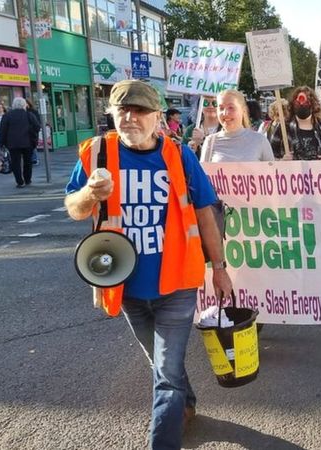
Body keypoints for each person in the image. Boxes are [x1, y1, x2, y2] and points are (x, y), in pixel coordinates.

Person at [64, 80, 232, 449]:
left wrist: (220, 268)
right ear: (112, 114)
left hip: (178, 282)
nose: (130, 117)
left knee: (166, 374)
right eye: (122, 110)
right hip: (125, 285)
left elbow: (205, 214)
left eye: (140, 110)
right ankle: (185, 403)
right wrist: (89, 193)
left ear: (157, 117)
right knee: (161, 363)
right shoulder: (96, 153)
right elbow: (74, 209)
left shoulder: (178, 155)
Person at [199, 89, 274, 163]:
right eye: (221, 108)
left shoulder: (260, 140)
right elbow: (203, 170)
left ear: (243, 110)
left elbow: (273, 169)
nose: (225, 113)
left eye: (231, 107)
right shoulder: (210, 141)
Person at [270, 86, 321, 161]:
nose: (301, 104)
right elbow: (271, 157)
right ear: (292, 104)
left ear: (313, 104)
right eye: (297, 102)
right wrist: (282, 161)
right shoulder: (283, 127)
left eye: (306, 103)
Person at [0, 97, 39, 188]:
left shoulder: (7, 116)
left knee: (15, 163)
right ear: (24, 105)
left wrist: (2, 143)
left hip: (12, 143)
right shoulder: (29, 115)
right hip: (28, 143)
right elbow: (37, 127)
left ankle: (20, 182)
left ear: (13, 105)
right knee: (28, 162)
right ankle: (27, 179)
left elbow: (2, 130)